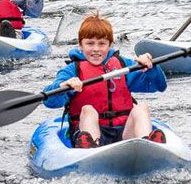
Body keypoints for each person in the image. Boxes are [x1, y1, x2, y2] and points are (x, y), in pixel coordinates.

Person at [42, 13, 167, 149]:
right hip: (90, 134)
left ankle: (148, 146)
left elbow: (159, 86)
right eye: (90, 43)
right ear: (80, 45)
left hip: (124, 133)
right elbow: (49, 101)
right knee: (88, 109)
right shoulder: (72, 71)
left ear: (109, 45)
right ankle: (91, 146)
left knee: (142, 108)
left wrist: (151, 67)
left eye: (102, 43)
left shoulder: (123, 65)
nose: (96, 49)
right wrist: (64, 86)